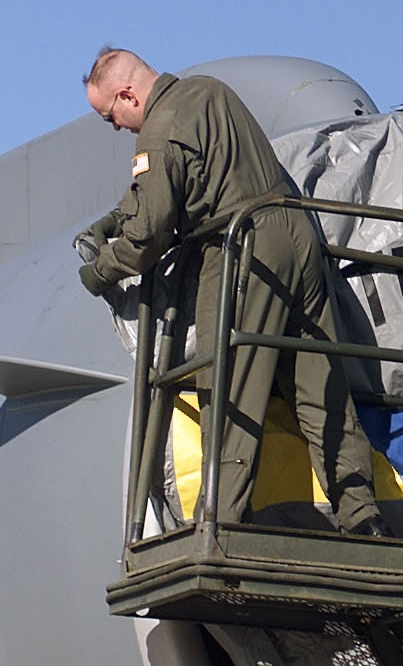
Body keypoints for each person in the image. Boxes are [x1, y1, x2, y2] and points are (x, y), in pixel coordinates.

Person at [76, 48, 387, 535]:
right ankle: (361, 514)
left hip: (244, 247)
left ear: (128, 95)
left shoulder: (160, 127)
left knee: (227, 386)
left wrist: (100, 271)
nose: (115, 126)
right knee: (319, 384)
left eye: (109, 115)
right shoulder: (211, 93)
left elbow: (150, 232)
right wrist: (117, 214)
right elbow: (179, 178)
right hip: (299, 238)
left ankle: (219, 521)